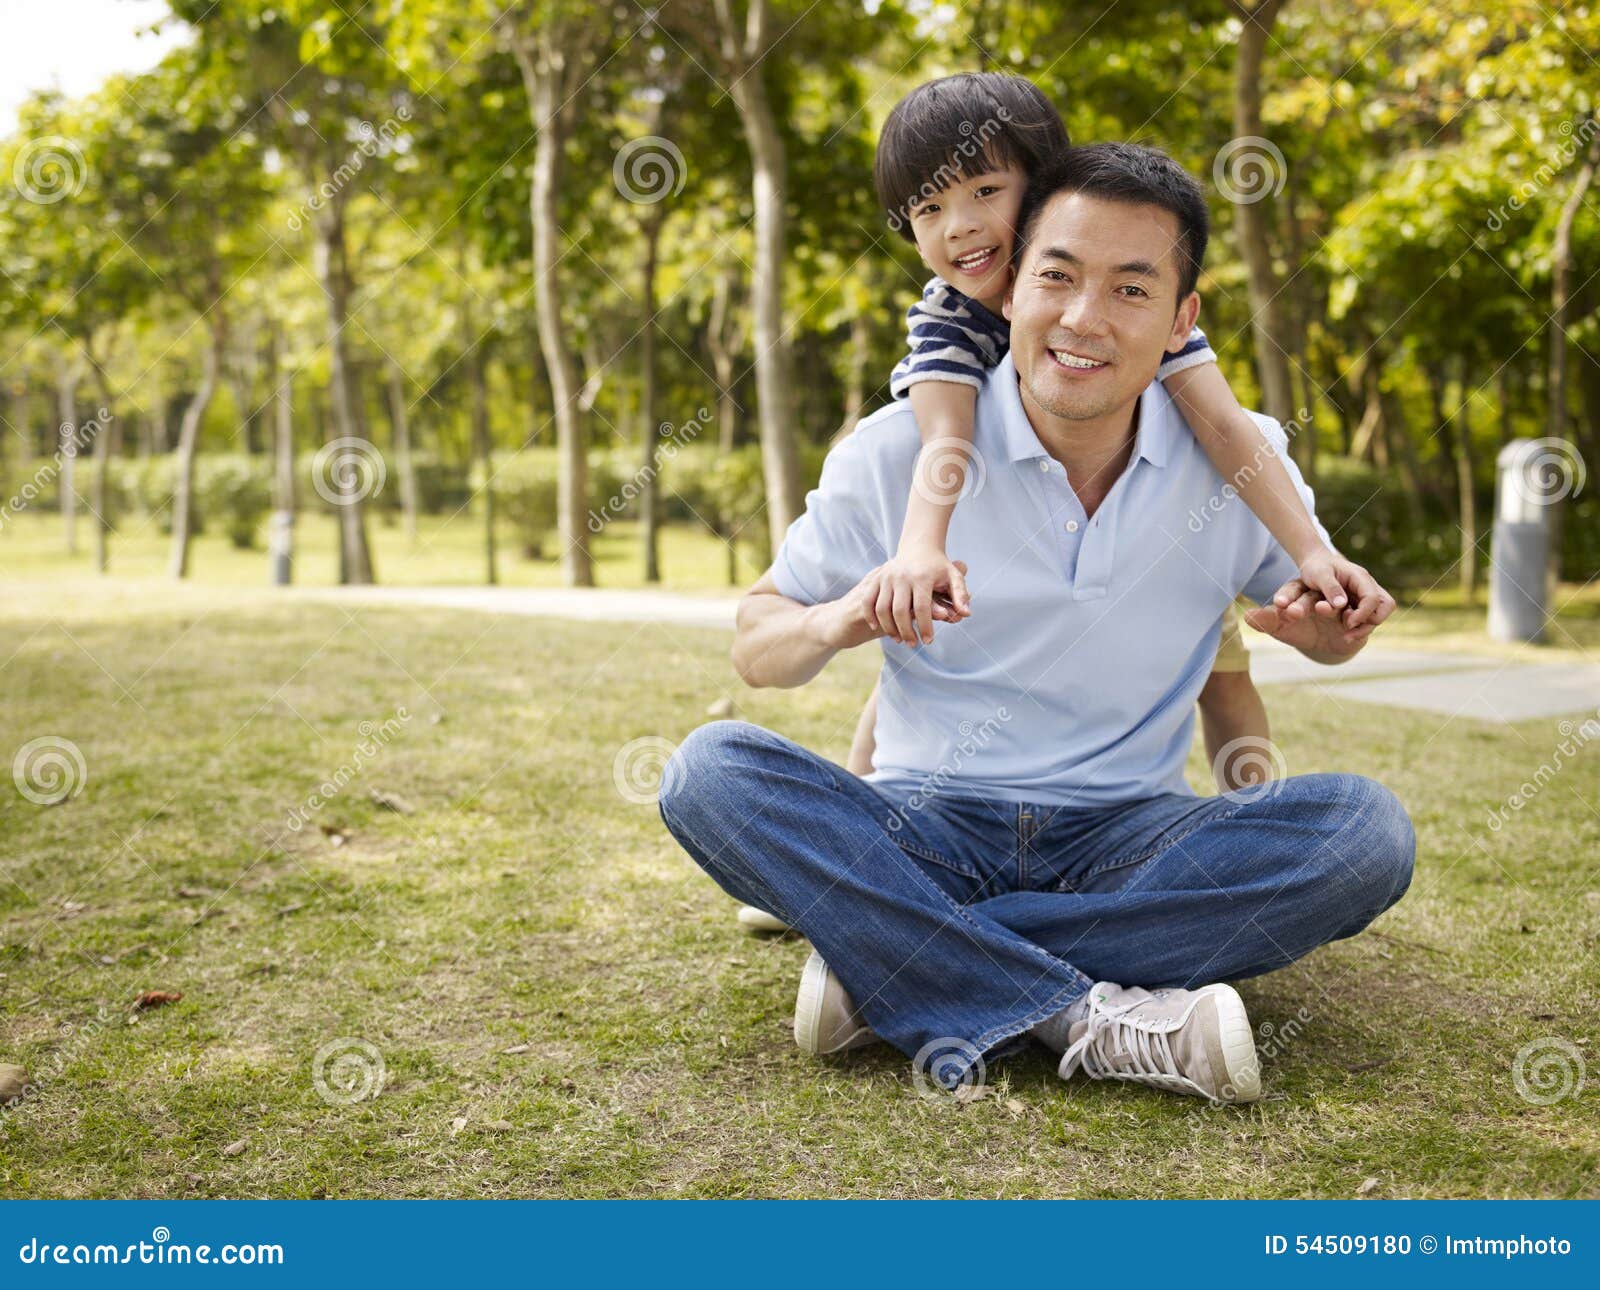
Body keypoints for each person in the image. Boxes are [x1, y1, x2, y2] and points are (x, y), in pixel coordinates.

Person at [659, 143, 1411, 1105]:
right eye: (1057, 276)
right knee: (709, 772)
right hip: (922, 830)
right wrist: (845, 616)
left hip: (1129, 843)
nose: (1084, 318)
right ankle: (1084, 1013)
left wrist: (1328, 633)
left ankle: (898, 960)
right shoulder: (897, 452)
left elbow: (1311, 612)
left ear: (1184, 318)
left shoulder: (1245, 467)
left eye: (1132, 290)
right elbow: (756, 647)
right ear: (1011, 288)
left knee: (1363, 835)